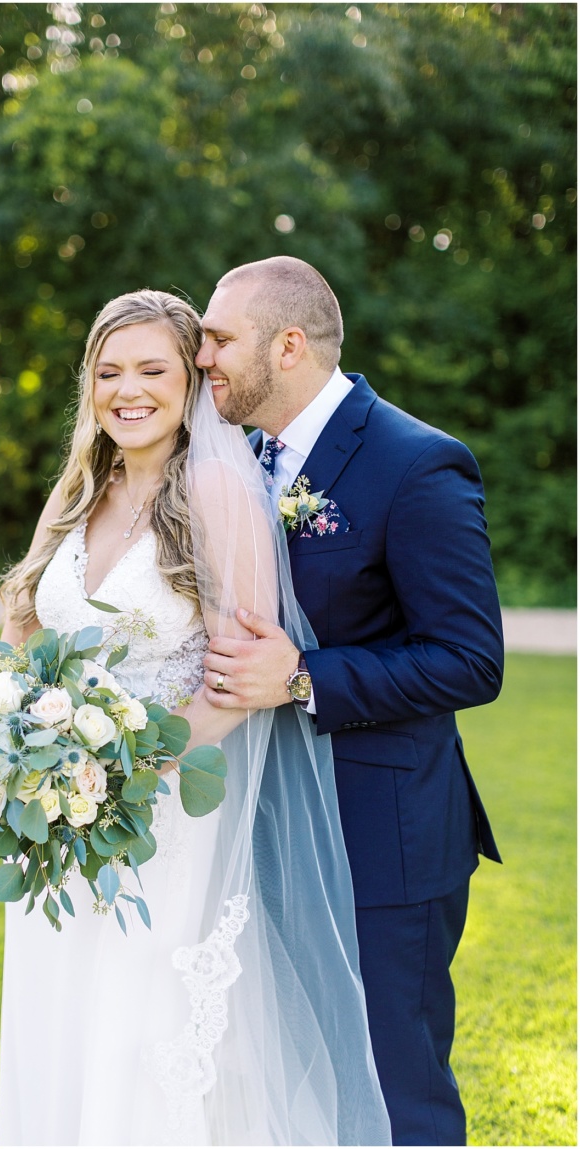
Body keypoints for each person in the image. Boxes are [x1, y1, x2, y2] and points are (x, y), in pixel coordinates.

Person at [0, 289, 391, 1146]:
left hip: (161, 811)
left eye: (152, 370)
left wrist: (124, 777)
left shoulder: (216, 489)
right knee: (59, 1012)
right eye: (108, 372)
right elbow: (21, 633)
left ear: (191, 382)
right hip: (53, 811)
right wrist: (14, 743)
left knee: (137, 1026)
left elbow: (237, 680)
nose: (127, 390)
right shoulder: (79, 488)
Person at [196, 255, 505, 1147]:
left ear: (288, 346)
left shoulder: (416, 463)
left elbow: (470, 659)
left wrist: (304, 677)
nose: (203, 357)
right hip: (269, 827)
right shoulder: (240, 456)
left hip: (383, 840)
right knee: (296, 1085)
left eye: (219, 339)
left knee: (395, 1092)